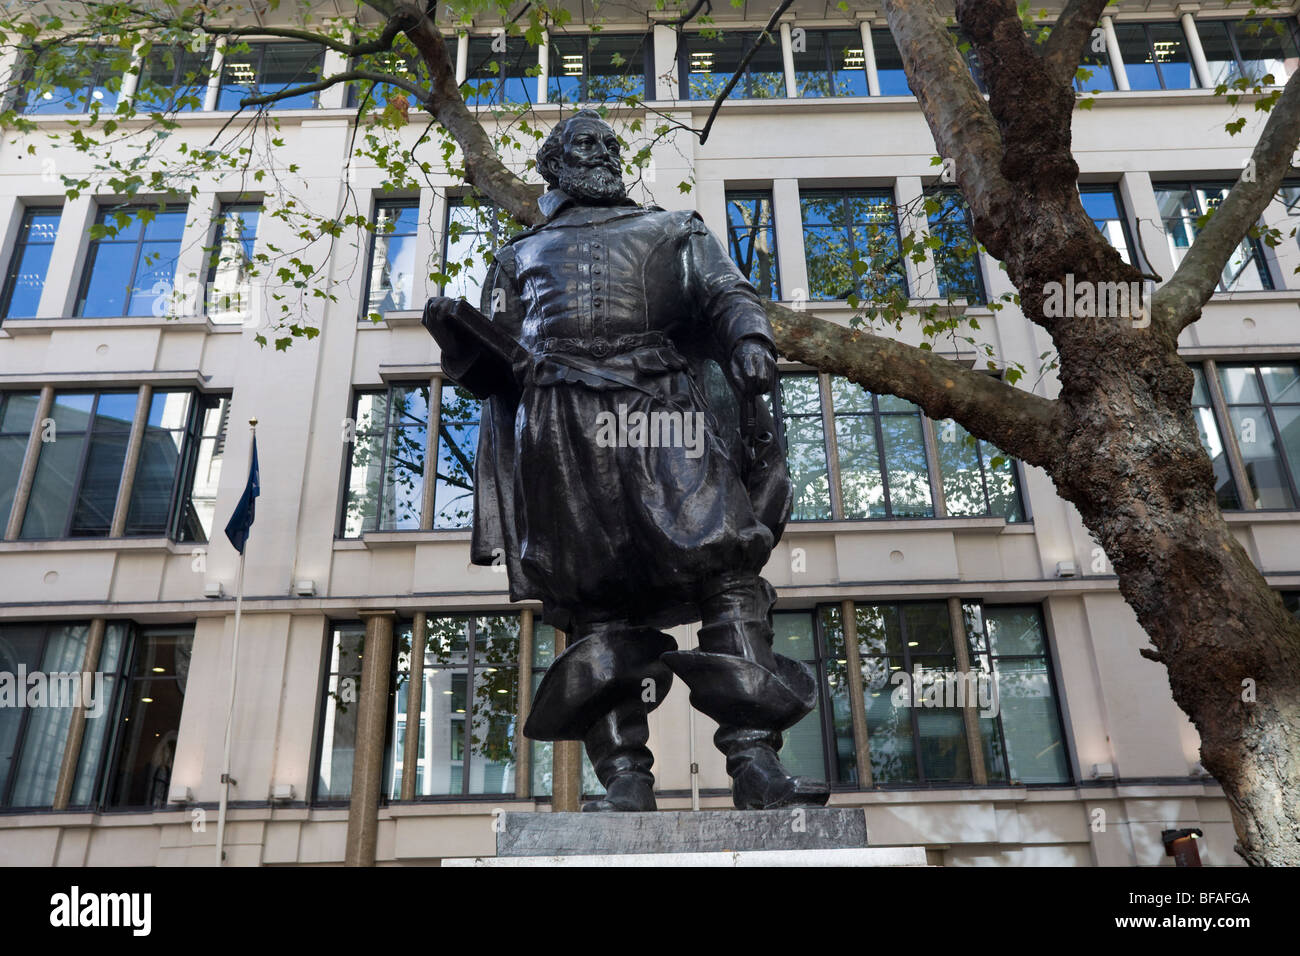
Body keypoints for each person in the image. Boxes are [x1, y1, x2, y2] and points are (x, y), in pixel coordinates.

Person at [423, 109, 828, 811]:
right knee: (592, 595)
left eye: (611, 145)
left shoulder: (675, 229)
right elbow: (498, 367)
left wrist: (749, 339)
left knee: (725, 560)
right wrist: (458, 339)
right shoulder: (515, 255)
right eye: (587, 145)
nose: (605, 154)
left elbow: (727, 293)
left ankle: (755, 763)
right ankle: (625, 779)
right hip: (559, 428)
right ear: (554, 164)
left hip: (661, 409)